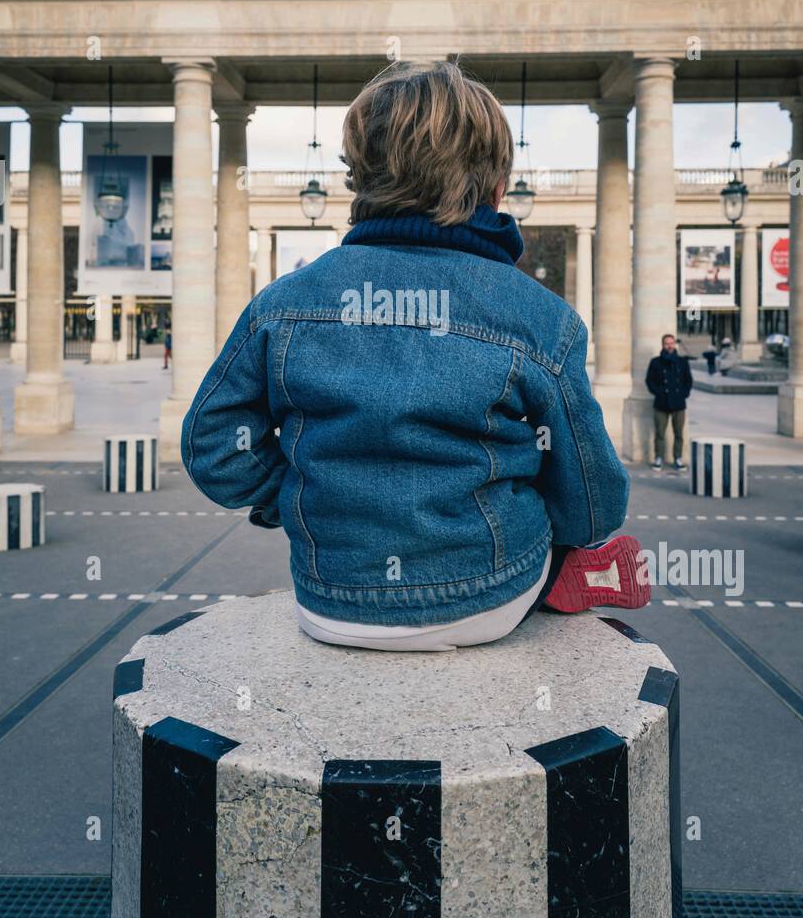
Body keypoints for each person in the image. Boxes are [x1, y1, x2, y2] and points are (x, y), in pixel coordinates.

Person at [181, 60, 649, 652]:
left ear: (358, 180)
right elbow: (592, 496)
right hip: (488, 597)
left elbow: (212, 444)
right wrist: (568, 530)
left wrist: (298, 497)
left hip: (328, 601)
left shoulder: (284, 304)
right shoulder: (539, 317)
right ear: (498, 188)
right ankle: (563, 574)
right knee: (566, 530)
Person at [646, 334, 692, 471]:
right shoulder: (655, 362)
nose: (669, 346)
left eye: (671, 343)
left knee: (679, 433)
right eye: (667, 343)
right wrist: (659, 392)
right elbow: (649, 381)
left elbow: (688, 381)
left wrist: (684, 394)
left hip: (678, 403)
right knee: (659, 433)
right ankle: (658, 458)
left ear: (674, 344)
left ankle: (678, 458)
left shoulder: (682, 362)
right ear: (663, 345)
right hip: (661, 403)